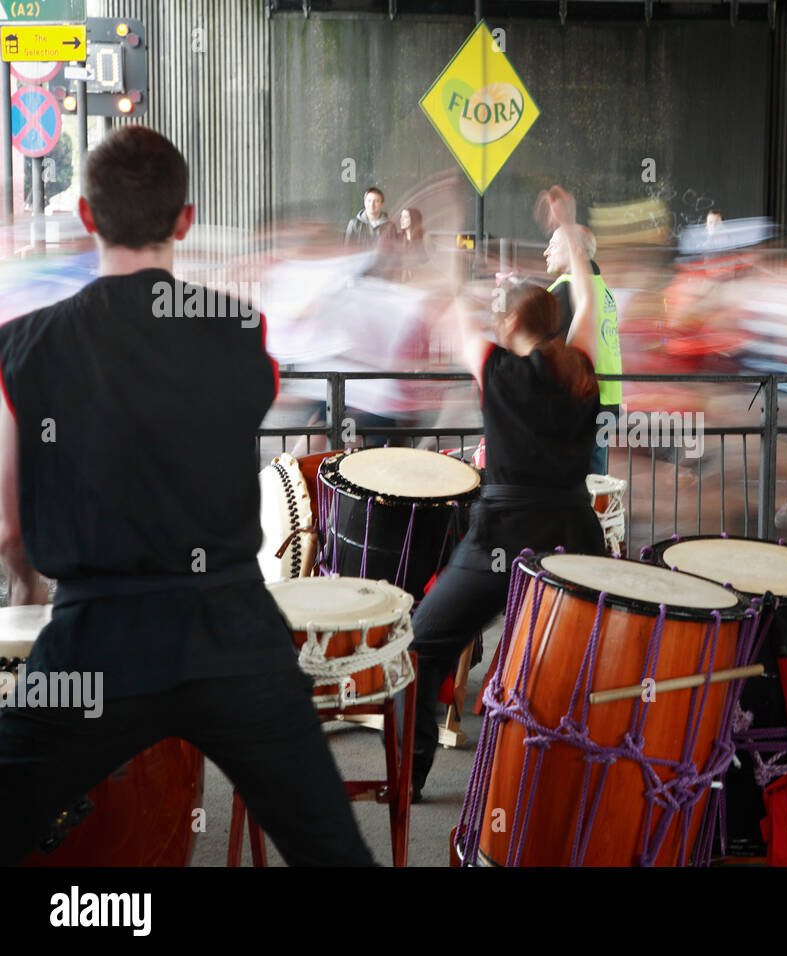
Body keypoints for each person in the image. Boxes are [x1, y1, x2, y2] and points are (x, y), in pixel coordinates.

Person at [0, 127, 373, 866]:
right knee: (332, 853)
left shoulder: (25, 347)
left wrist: (31, 583)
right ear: (185, 220)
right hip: (234, 635)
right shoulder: (241, 330)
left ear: (85, 217)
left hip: (94, 641)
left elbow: (10, 526)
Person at [407, 186, 607, 798]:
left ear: (512, 323)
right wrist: (570, 230)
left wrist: (451, 231)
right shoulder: (580, 369)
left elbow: (451, 299)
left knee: (420, 646)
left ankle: (407, 778)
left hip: (501, 537)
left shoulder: (494, 367)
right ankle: (591, 781)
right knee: (586, 664)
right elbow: (589, 294)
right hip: (575, 539)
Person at [545, 222, 622, 475]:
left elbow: (539, 346)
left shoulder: (564, 288)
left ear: (575, 251)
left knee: (567, 479)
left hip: (577, 401)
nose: (546, 252)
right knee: (594, 479)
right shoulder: (603, 288)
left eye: (553, 245)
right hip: (608, 398)